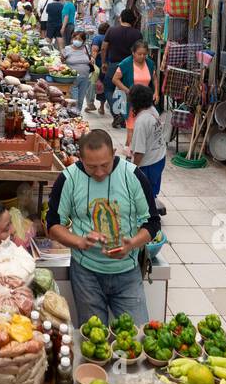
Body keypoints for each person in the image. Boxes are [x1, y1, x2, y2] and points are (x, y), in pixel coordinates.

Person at [46, 130, 158, 325]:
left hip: (128, 273)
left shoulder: (132, 176)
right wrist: (79, 241)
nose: (99, 173)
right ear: (81, 158)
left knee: (138, 337)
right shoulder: (69, 179)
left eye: (104, 165)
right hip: (86, 274)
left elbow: (152, 222)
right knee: (93, 340)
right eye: (91, 167)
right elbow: (54, 225)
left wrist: (132, 244)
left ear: (113, 153)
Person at [127, 85, 167, 216]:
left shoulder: (142, 121)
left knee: (144, 192)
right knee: (153, 188)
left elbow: (139, 152)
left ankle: (150, 217)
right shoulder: (152, 110)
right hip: (160, 157)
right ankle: (152, 206)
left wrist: (133, 169)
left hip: (148, 163)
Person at [103, 12, 145, 128]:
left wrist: (104, 62)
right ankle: (124, 116)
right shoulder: (137, 34)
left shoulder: (111, 30)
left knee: (108, 89)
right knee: (126, 90)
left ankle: (117, 114)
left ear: (120, 18)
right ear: (133, 21)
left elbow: (104, 47)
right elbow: (140, 51)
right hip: (129, 66)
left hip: (114, 64)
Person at [112, 39, 159, 115]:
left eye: (144, 54)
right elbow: (115, 79)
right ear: (133, 53)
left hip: (145, 102)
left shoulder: (150, 63)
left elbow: (154, 79)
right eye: (139, 54)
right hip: (129, 101)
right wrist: (128, 91)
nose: (142, 56)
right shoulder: (126, 63)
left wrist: (156, 92)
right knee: (131, 125)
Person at [60, 31, 93, 111]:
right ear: (72, 39)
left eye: (80, 39)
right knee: (74, 100)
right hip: (72, 80)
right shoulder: (67, 49)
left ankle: (78, 116)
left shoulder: (86, 48)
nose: (77, 40)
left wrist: (92, 59)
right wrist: (62, 57)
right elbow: (62, 61)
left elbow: (90, 58)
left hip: (85, 78)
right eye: (75, 38)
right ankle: (74, 115)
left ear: (83, 41)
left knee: (81, 100)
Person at [89, 22, 109, 114]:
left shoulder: (97, 38)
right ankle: (101, 107)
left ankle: (91, 103)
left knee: (93, 84)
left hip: (98, 65)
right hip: (107, 65)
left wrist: (92, 60)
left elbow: (94, 50)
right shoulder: (109, 38)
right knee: (104, 85)